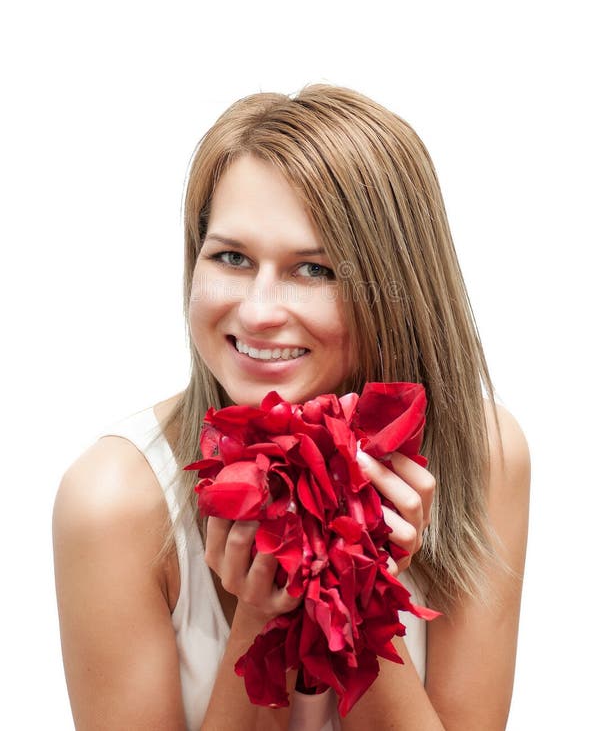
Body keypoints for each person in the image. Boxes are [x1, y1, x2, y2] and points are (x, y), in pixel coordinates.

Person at [53, 84, 530, 730]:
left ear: (397, 286)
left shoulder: (484, 451)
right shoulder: (111, 500)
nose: (256, 311)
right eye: (231, 257)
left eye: (315, 270)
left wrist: (358, 595)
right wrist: (261, 616)